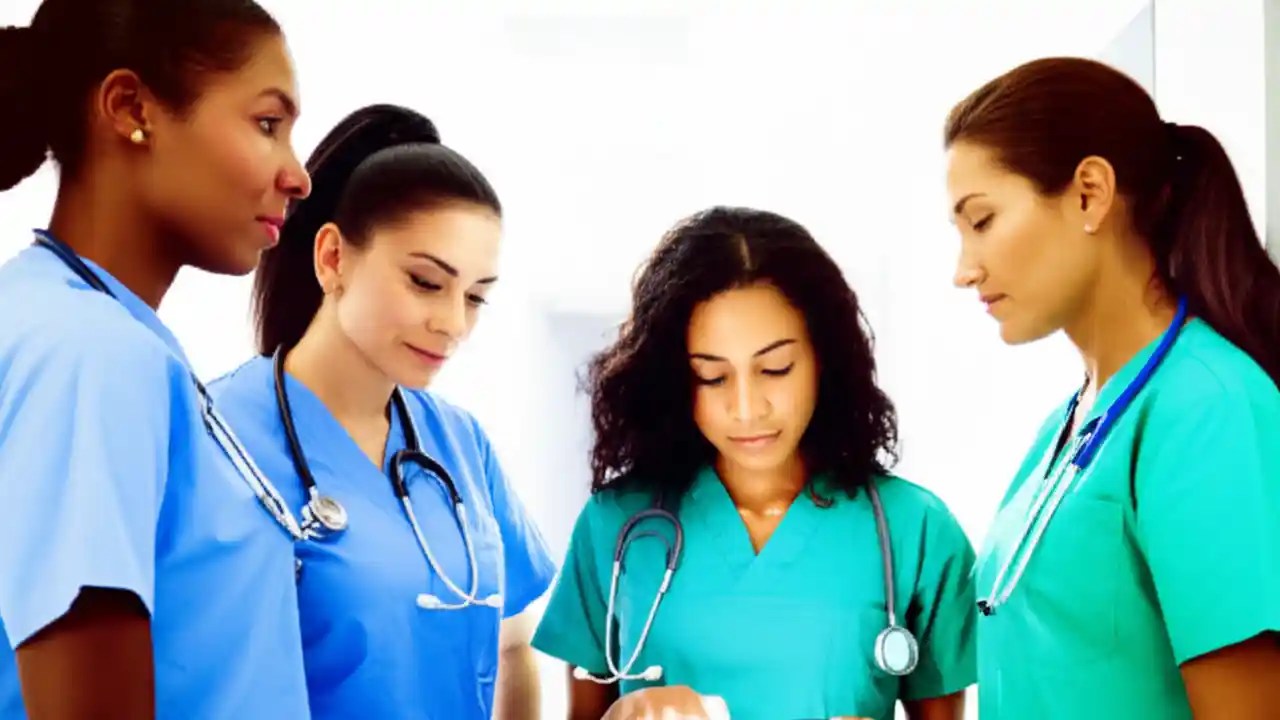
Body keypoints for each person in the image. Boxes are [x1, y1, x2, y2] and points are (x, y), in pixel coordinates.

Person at [532, 206, 977, 720]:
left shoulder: (914, 531)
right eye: (712, 377)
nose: (746, 408)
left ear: (823, 359)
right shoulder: (615, 526)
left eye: (775, 368)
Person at [0, 1, 313, 718]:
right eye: (268, 124)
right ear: (130, 107)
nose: (298, 175)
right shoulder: (87, 354)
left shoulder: (82, 328)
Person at [945, 56, 1280, 719]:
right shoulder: (1069, 426)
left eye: (981, 221)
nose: (964, 269)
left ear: (1089, 193)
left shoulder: (1206, 409)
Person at [208, 103, 556, 720]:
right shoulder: (219, 439)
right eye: (426, 282)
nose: (453, 323)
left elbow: (511, 645)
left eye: (475, 297)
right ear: (333, 258)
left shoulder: (459, 443)